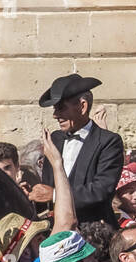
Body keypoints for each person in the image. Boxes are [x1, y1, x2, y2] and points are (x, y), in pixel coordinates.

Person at [32, 74, 125, 227]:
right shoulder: (55, 139)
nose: (55, 115)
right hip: (58, 231)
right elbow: (48, 185)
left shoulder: (108, 141)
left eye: (61, 108)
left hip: (93, 232)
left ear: (83, 106)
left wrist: (55, 195)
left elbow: (101, 190)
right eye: (55, 109)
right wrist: (32, 194)